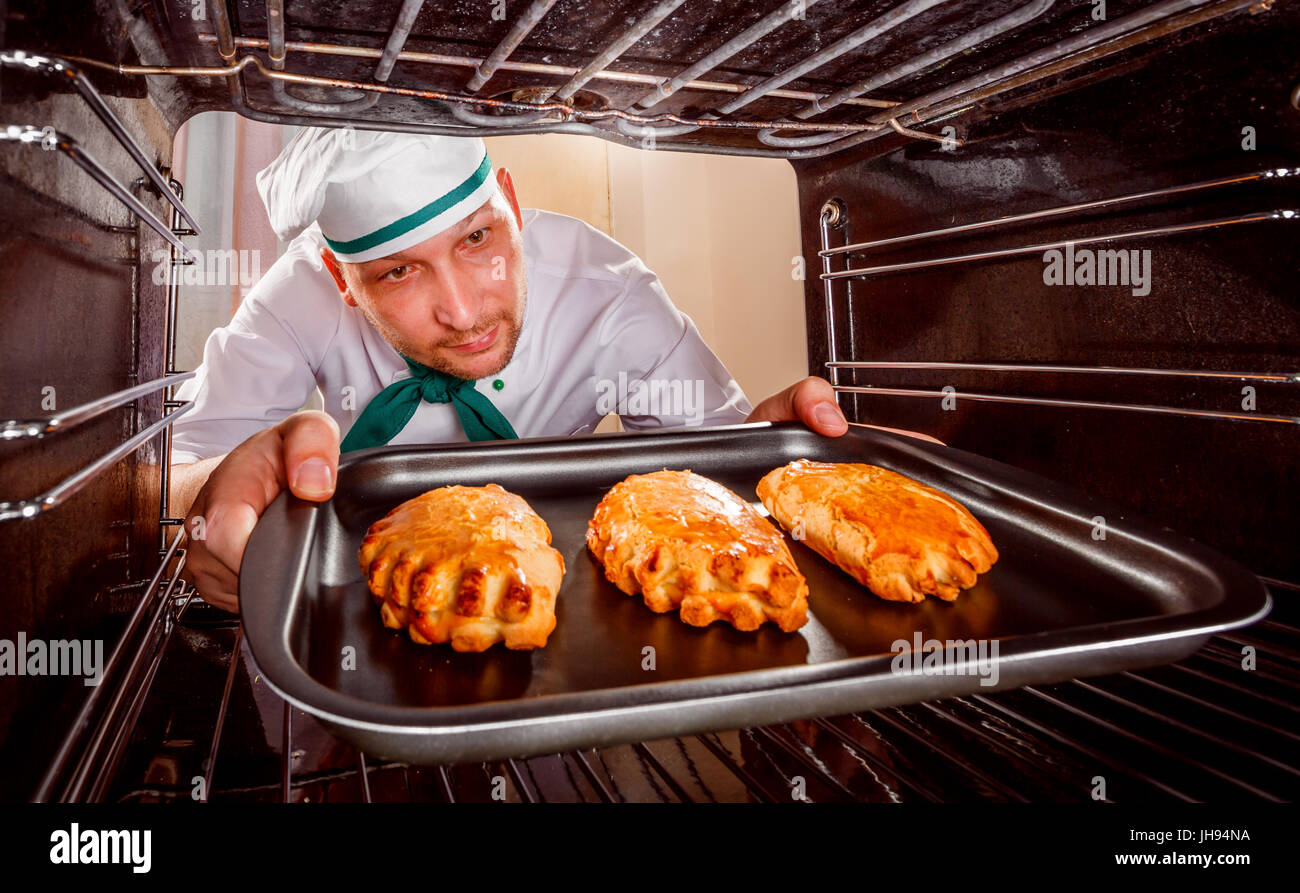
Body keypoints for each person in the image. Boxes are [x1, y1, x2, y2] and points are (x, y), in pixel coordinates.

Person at [169, 128, 925, 612]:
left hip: (552, 625)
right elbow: (168, 477)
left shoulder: (609, 290)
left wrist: (772, 447)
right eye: (398, 274)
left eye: (476, 239)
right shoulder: (295, 297)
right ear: (341, 279)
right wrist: (200, 507)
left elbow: (717, 473)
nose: (462, 312)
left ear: (513, 205)